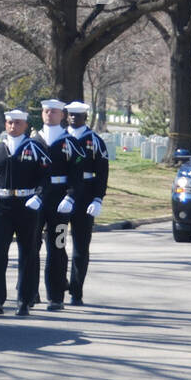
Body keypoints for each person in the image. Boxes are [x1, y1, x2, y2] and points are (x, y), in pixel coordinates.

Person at [0, 110, 51, 317]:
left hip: (27, 205)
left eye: (17, 123)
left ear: (25, 126)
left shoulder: (35, 148)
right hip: (3, 206)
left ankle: (25, 300)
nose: (12, 126)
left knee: (27, 254)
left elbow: (46, 177)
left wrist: (39, 196)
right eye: (10, 122)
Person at [33, 99, 86, 312]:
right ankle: (29, 292)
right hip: (37, 199)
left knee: (57, 246)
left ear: (62, 115)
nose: (49, 115)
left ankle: (56, 296)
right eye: (46, 111)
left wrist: (71, 196)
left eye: (54, 112)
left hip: (60, 200)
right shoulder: (34, 141)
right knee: (31, 247)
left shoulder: (70, 142)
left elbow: (78, 173)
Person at [65, 100, 109, 304]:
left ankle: (76, 290)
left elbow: (102, 173)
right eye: (71, 114)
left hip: (85, 199)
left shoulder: (95, 141)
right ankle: (58, 285)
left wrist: (98, 198)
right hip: (62, 198)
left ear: (85, 117)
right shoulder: (60, 139)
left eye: (78, 115)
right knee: (57, 244)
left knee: (80, 248)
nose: (74, 118)